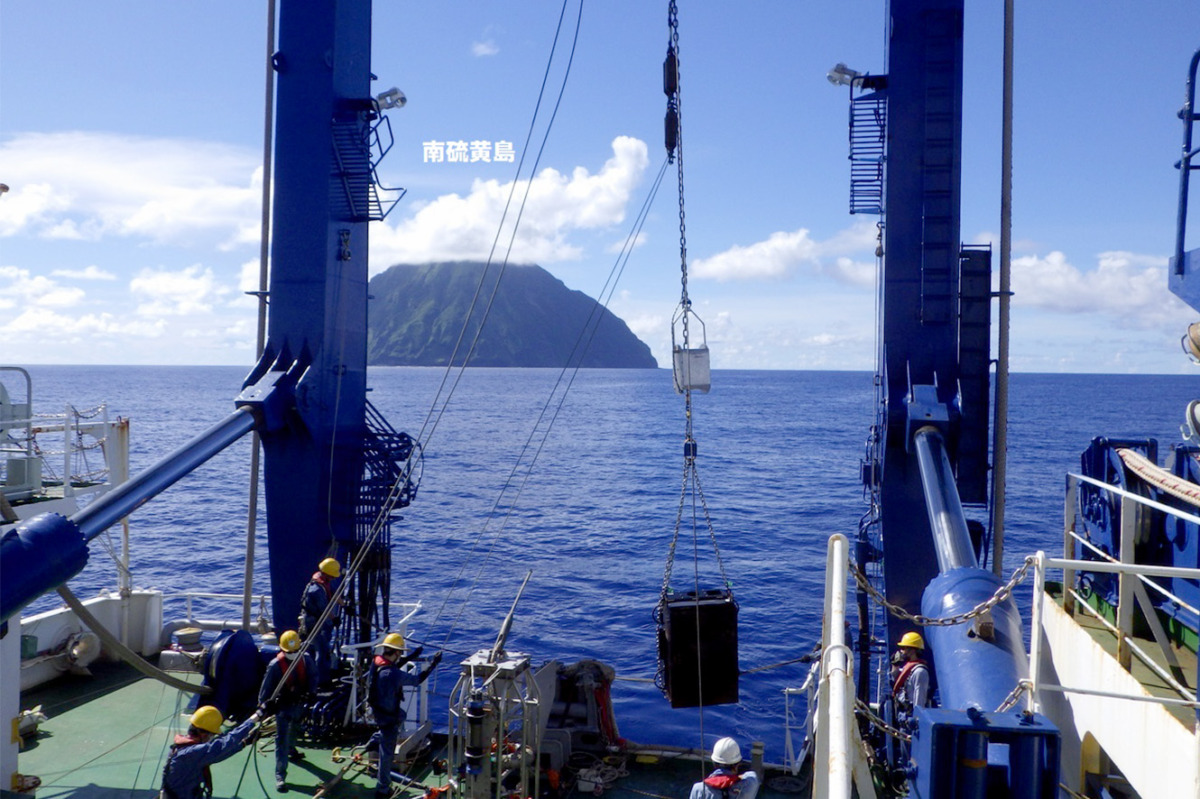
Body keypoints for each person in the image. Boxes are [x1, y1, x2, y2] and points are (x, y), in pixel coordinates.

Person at [368, 633, 443, 799]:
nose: (400, 656)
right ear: (395, 652)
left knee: (383, 736)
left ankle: (371, 744)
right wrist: (433, 665)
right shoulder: (393, 674)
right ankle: (382, 789)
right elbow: (417, 680)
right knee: (387, 755)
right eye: (400, 653)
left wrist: (412, 656)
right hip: (388, 718)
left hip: (377, 712)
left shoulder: (377, 662)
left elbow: (392, 666)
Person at [258, 630, 318, 792]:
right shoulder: (275, 666)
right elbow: (266, 689)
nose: (292, 654)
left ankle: (292, 749)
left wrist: (312, 693)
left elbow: (313, 677)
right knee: (282, 739)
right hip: (283, 706)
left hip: (300, 704)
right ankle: (280, 775)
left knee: (296, 728)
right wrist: (264, 706)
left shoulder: (305, 660)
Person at [160, 705, 261, 799]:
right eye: (211, 735)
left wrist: (243, 743)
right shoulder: (191, 753)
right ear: (203, 734)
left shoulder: (183, 748)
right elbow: (222, 746)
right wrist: (256, 716)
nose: (211, 738)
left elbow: (217, 755)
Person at [299, 557, 343, 684]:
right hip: (315, 623)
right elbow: (324, 609)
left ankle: (313, 678)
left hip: (318, 621)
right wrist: (334, 619)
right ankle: (322, 681)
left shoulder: (322, 581)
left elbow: (333, 594)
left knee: (316, 649)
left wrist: (344, 604)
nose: (334, 578)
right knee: (322, 652)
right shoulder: (316, 590)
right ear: (328, 574)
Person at [688, 737, 759, 799]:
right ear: (737, 765)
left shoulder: (698, 788)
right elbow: (751, 774)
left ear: (714, 763)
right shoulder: (750, 784)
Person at [891, 631, 932, 713]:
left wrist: (916, 718)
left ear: (912, 650)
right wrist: (895, 664)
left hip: (910, 715)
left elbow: (919, 700)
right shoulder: (908, 668)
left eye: (903, 648)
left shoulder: (920, 672)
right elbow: (895, 678)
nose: (901, 651)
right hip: (901, 712)